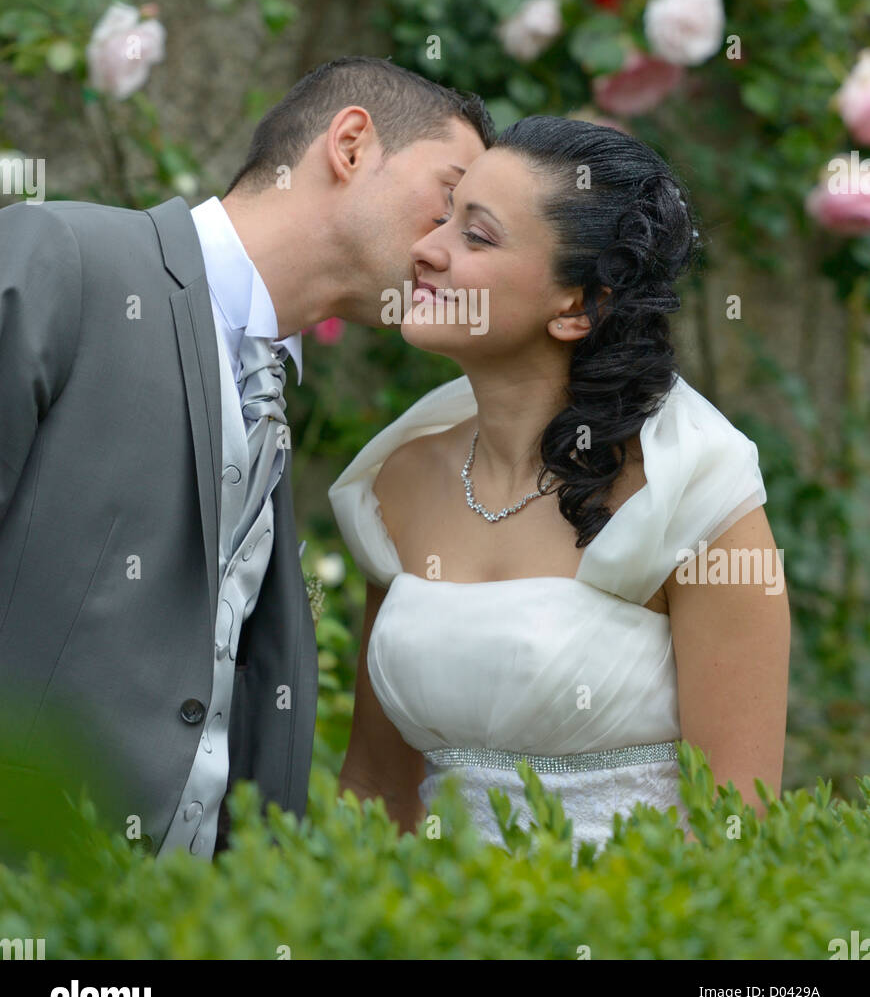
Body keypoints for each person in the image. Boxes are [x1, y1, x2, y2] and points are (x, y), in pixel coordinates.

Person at [0, 55, 493, 861]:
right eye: (449, 202)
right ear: (352, 144)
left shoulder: (269, 397)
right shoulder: (61, 259)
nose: (449, 251)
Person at [330, 115, 790, 856]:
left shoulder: (699, 500)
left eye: (475, 236)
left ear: (579, 306)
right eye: (443, 216)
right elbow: (376, 790)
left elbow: (736, 833)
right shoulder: (399, 480)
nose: (427, 249)